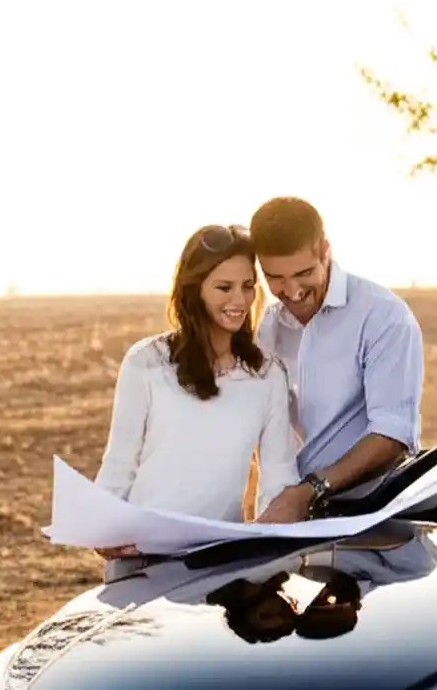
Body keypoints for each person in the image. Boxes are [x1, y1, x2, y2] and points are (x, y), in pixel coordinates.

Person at [92, 223, 302, 564]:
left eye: (248, 286)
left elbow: (278, 477)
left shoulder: (267, 375)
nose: (240, 300)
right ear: (194, 289)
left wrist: (265, 550)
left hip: (219, 560)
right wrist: (101, 527)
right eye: (224, 287)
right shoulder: (146, 362)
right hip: (141, 557)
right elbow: (118, 464)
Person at [250, 196, 425, 523]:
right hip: (283, 523)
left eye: (303, 273)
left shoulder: (383, 317)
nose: (293, 291)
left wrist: (310, 491)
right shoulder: (269, 327)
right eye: (276, 278)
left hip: (366, 520)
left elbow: (393, 435)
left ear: (325, 250)